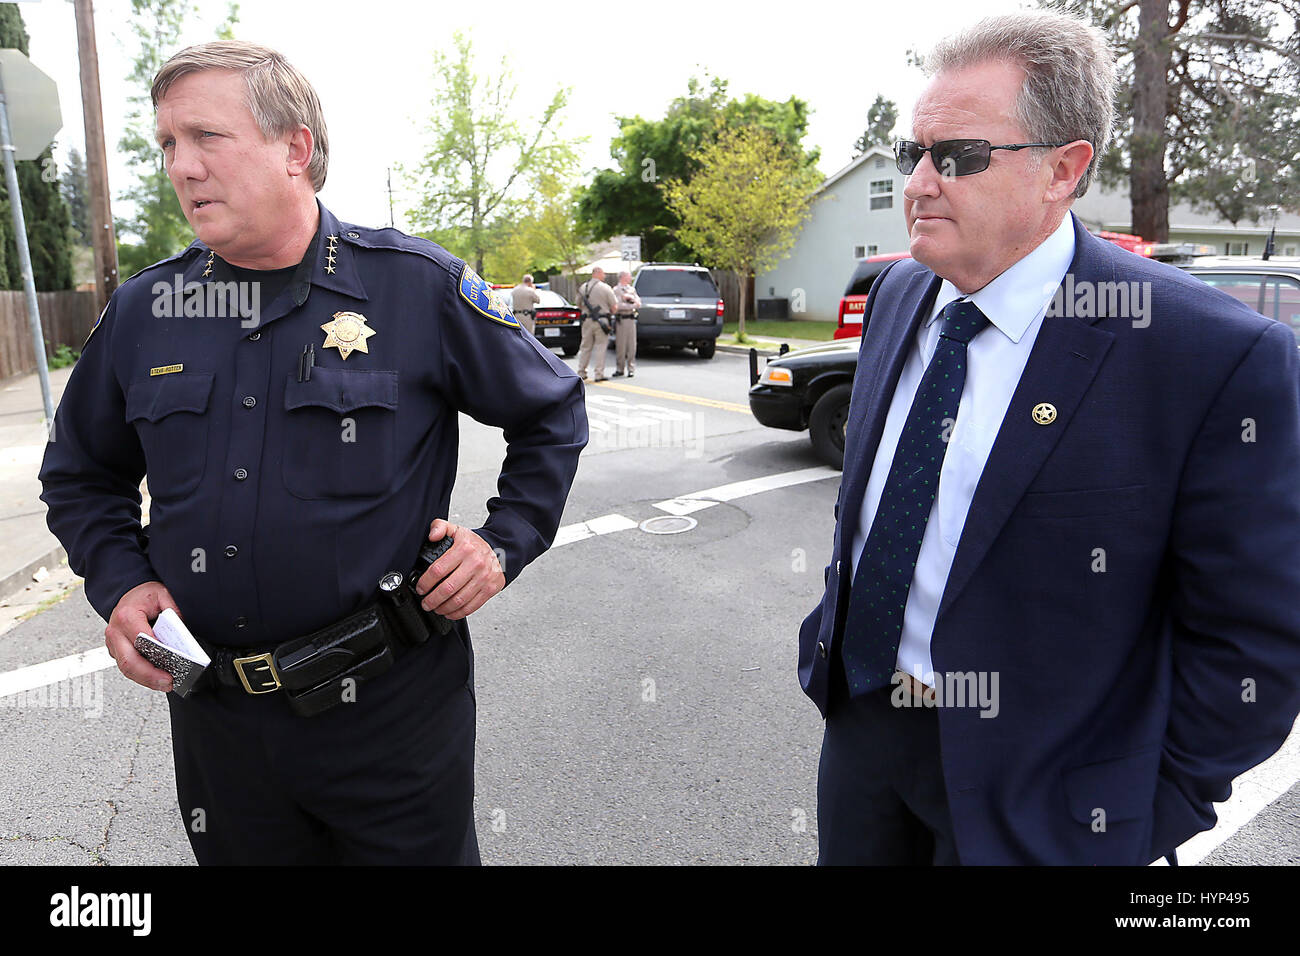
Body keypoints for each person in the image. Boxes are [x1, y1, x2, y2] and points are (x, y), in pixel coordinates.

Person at [37, 40, 588, 865]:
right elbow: (81, 475)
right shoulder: (150, 310)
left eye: (206, 138)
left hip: (390, 718)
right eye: (167, 146)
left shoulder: (415, 287)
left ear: (295, 149)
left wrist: (503, 543)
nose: (181, 168)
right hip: (218, 721)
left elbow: (551, 409)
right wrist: (121, 582)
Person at [799, 11, 1300, 866]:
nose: (919, 182)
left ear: (1063, 170)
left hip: (1052, 799)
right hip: (867, 737)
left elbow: (1256, 638)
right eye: (909, 153)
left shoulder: (1211, 355)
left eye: (955, 156)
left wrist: (1149, 810)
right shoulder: (897, 299)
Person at [576, 266, 617, 382]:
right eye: (603, 274)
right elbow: (614, 307)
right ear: (598, 273)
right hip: (601, 321)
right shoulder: (605, 288)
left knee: (585, 347)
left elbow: (578, 304)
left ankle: (581, 372)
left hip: (587, 321)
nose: (604, 276)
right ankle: (599, 374)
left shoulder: (583, 287)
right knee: (601, 347)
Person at [611, 270, 641, 378]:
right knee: (621, 345)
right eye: (629, 276)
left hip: (631, 319)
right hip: (621, 320)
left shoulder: (631, 289)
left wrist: (630, 299)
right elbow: (618, 305)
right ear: (622, 277)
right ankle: (620, 368)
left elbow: (638, 303)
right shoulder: (616, 290)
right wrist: (631, 305)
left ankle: (631, 368)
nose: (630, 278)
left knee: (632, 345)